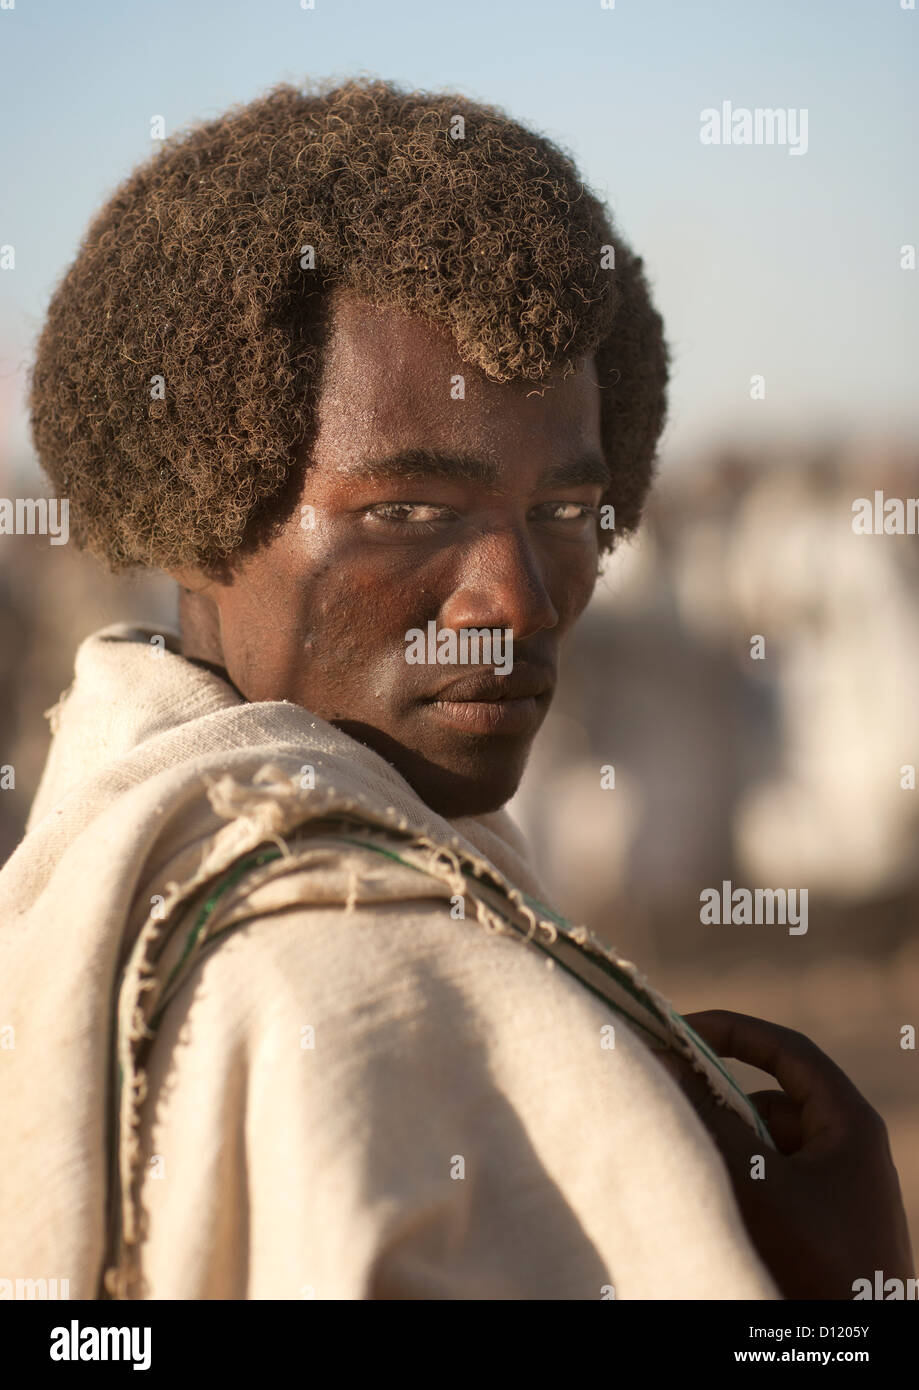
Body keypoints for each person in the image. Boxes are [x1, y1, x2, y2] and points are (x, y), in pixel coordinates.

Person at [1, 76, 911, 1301]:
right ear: (193, 511)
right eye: (409, 510)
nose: (518, 599)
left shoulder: (92, 870)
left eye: (566, 513)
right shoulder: (363, 983)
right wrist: (850, 1295)